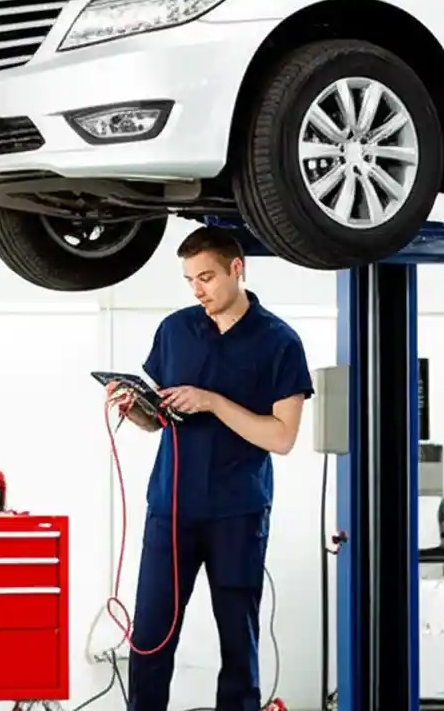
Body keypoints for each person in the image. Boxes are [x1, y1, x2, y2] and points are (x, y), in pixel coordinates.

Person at [106, 226, 314, 711]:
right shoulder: (176, 330)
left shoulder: (280, 342)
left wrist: (214, 402)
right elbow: (157, 421)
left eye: (206, 278)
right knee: (151, 634)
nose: (197, 290)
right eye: (189, 280)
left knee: (238, 637)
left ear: (236, 269)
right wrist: (132, 407)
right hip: (171, 507)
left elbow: (282, 438)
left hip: (236, 511)